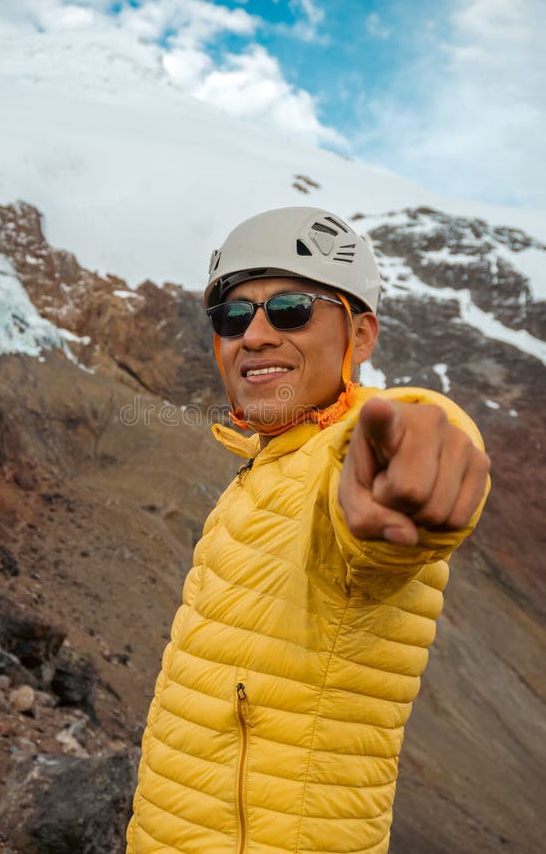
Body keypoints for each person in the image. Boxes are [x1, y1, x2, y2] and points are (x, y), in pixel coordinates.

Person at [126, 206, 490, 854]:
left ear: (361, 334)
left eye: (289, 310)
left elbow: (384, 473)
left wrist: (417, 451)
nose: (254, 335)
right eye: (233, 317)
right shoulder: (262, 469)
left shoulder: (333, 461)